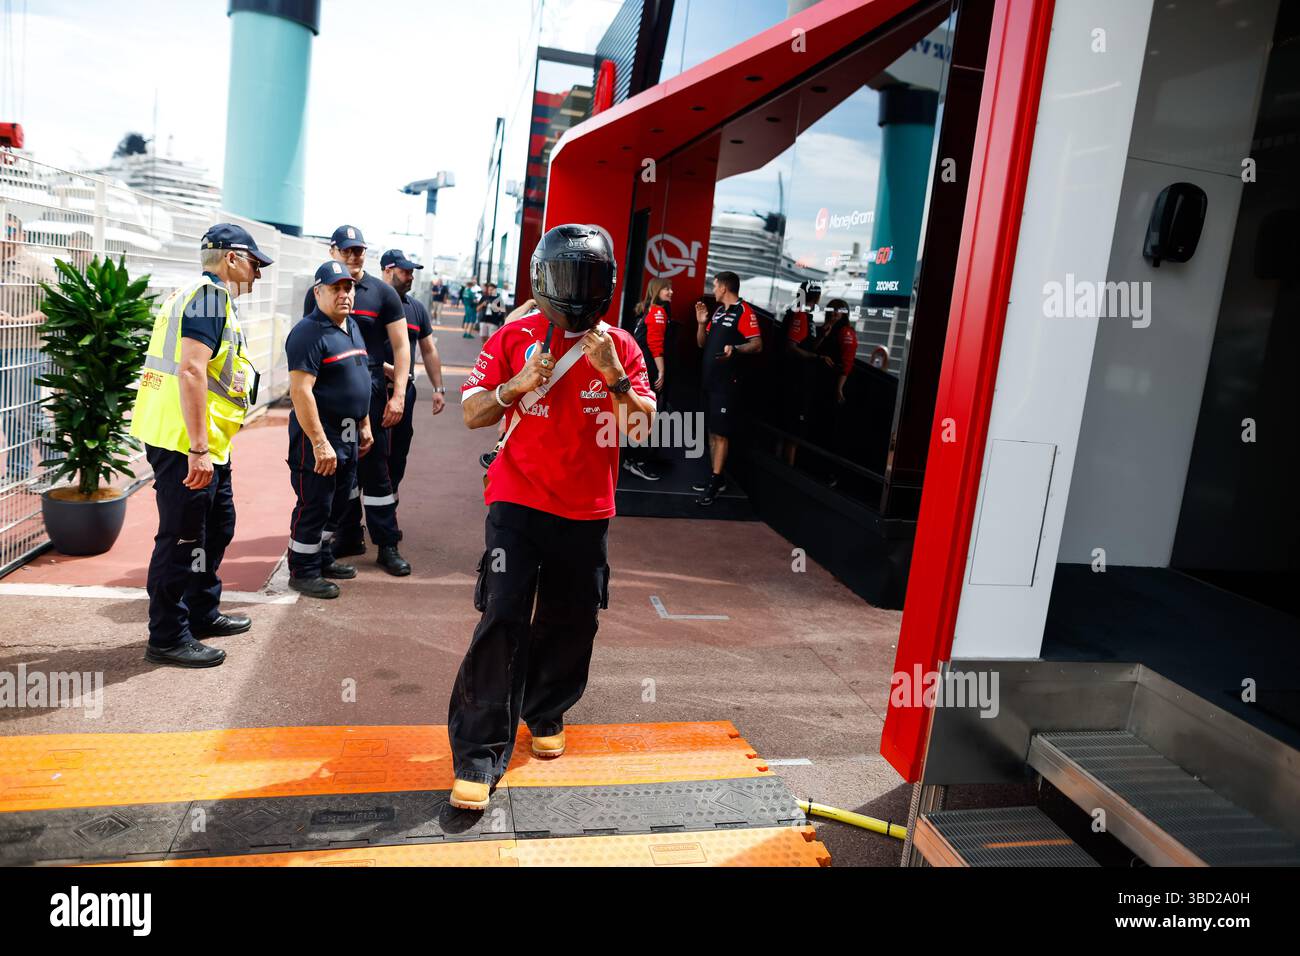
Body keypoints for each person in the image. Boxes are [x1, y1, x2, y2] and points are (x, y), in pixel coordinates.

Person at [448, 224, 656, 810]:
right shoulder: (514, 335)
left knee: (573, 617)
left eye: (588, 278)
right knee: (503, 613)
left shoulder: (623, 346)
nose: (575, 290)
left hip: (587, 508)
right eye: (566, 276)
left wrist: (614, 374)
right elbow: (472, 413)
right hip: (516, 500)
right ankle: (478, 753)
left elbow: (638, 427)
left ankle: (546, 710)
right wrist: (517, 385)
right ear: (543, 279)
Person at [129, 223, 272, 667]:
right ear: (231, 258)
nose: (258, 274)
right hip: (185, 443)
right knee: (183, 538)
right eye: (254, 263)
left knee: (217, 525)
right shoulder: (209, 298)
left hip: (204, 441)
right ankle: (168, 636)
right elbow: (191, 370)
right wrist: (197, 448)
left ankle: (201, 612)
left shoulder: (202, 296)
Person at [302, 225, 412, 575]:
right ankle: (346, 537)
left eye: (359, 250)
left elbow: (401, 346)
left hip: (373, 396)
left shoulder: (382, 293)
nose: (353, 256)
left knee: (376, 472)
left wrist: (397, 397)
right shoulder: (317, 292)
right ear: (333, 251)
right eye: (347, 250)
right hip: (331, 399)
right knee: (340, 475)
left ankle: (387, 544)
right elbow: (309, 348)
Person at [284, 262, 375, 598]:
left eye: (348, 288)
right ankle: (303, 570)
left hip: (351, 433)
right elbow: (301, 391)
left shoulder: (351, 326)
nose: (344, 294)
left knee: (338, 501)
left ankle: (321, 557)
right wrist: (320, 443)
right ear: (317, 292)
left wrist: (364, 423)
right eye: (336, 288)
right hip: (321, 435)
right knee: (315, 503)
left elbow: (361, 373)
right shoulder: (308, 332)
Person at [379, 249, 446, 498]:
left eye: (412, 272)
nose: (410, 276)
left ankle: (389, 503)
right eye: (404, 271)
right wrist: (382, 368)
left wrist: (438, 389)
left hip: (404, 391)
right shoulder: (369, 301)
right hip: (372, 389)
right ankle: (349, 521)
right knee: (367, 449)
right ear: (387, 270)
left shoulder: (416, 309)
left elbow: (428, 350)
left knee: (398, 449)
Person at [693, 270, 761, 506]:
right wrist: (701, 324)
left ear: (724, 287)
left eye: (714, 285)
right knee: (712, 432)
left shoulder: (744, 311)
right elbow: (702, 343)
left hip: (726, 384)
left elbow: (757, 344)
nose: (713, 290)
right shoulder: (719, 312)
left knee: (721, 434)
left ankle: (714, 482)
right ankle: (717, 477)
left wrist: (737, 348)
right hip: (709, 382)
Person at [0, 212, 56, 486]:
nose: (5, 237)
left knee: (30, 411)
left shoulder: (36, 266)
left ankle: (55, 463)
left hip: (28, 349)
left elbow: (52, 308)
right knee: (8, 414)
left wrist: (16, 321)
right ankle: (17, 471)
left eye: (10, 231)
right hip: (2, 353)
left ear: (21, 235)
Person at [623, 276, 675, 481]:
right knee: (647, 415)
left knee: (638, 413)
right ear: (656, 290)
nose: (671, 292)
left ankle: (631, 459)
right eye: (667, 289)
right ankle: (637, 461)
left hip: (638, 370)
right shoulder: (658, 312)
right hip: (650, 371)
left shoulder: (646, 310)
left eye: (671, 289)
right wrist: (662, 371)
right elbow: (655, 345)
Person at [780, 282, 821, 467]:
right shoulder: (800, 315)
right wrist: (816, 357)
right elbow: (792, 347)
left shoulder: (798, 313)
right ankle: (786, 473)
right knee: (792, 435)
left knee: (786, 431)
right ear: (817, 297)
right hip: (797, 382)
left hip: (793, 380)